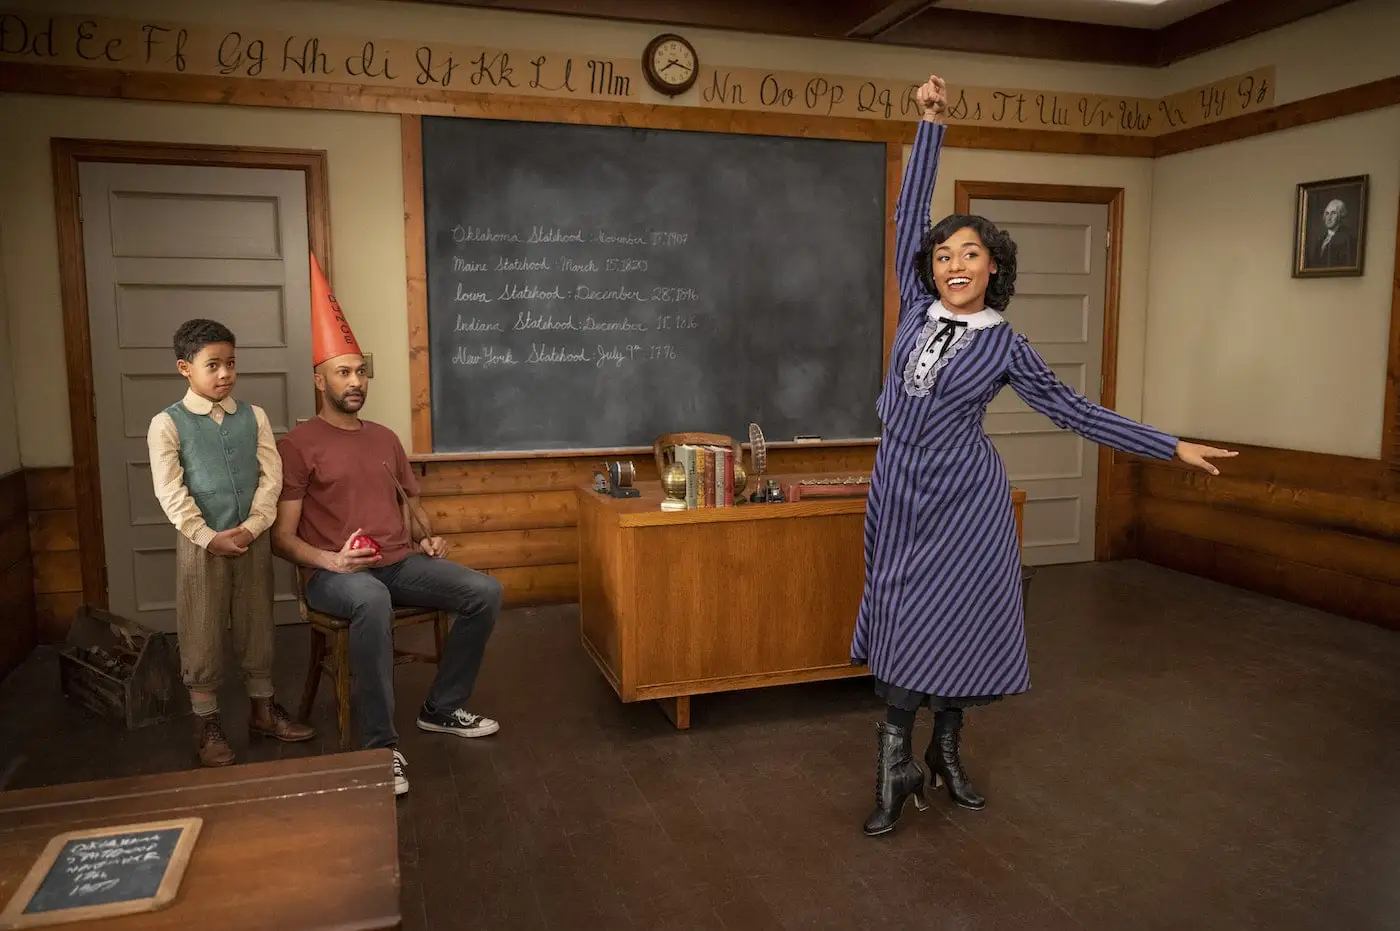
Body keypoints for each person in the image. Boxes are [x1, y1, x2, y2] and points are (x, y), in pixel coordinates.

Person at [852, 74, 1237, 837]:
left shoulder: (1005, 345)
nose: (953, 264)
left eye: (970, 254)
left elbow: (1075, 411)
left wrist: (1169, 444)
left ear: (993, 266)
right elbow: (908, 219)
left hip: (965, 502)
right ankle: (899, 758)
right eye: (944, 255)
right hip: (896, 491)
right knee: (899, 617)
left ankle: (940, 752)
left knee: (955, 621)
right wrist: (931, 125)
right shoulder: (916, 306)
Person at [271, 256, 501, 798]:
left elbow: (413, 508)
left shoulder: (384, 438)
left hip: (398, 563)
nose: (355, 381)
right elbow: (282, 538)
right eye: (343, 372)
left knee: (484, 591)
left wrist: (427, 538)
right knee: (370, 598)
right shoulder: (297, 445)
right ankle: (379, 748)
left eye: (360, 372)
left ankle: (441, 708)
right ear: (320, 380)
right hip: (335, 575)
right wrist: (331, 561)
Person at [147, 318, 315, 767]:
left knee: (256, 623)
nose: (225, 374)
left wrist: (255, 525)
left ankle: (263, 710)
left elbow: (270, 476)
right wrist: (207, 536)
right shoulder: (167, 423)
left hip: (250, 538)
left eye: (231, 363)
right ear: (185, 367)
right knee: (201, 630)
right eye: (213, 365)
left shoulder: (253, 417)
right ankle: (206, 722)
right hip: (201, 543)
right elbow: (170, 490)